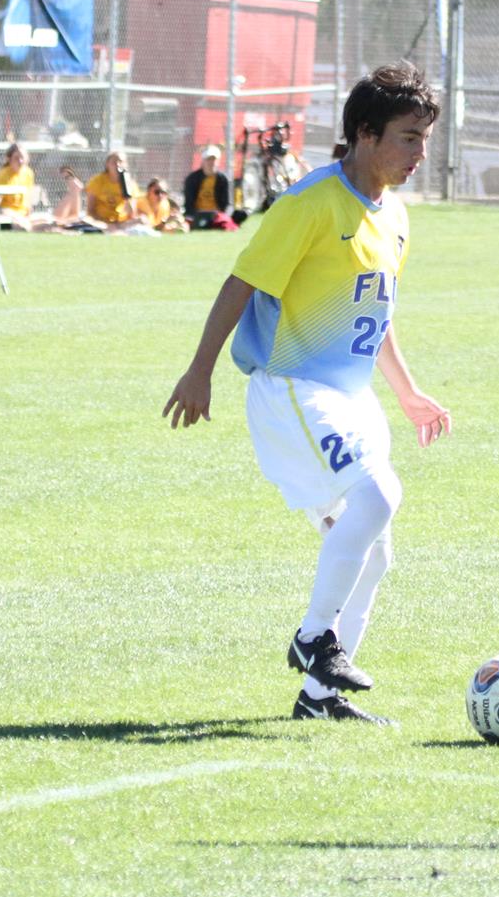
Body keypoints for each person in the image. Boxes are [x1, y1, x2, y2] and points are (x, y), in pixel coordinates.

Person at [163, 62, 452, 725]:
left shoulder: (396, 216)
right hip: (293, 386)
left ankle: (321, 696)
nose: (420, 154)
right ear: (365, 133)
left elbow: (373, 314)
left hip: (351, 397)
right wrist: (199, 369)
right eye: (409, 138)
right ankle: (313, 637)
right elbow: (241, 281)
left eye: (425, 140)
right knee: (380, 495)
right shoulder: (308, 203)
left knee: (376, 547)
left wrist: (407, 392)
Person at [84, 150, 150, 232]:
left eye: (121, 162)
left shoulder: (130, 184)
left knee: (143, 220)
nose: (118, 165)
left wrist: (126, 190)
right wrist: (104, 223)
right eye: (114, 162)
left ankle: (115, 230)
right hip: (101, 222)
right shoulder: (97, 181)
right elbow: (90, 211)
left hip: (121, 223)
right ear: (107, 164)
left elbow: (131, 213)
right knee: (86, 220)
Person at [184, 144, 245, 230]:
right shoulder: (192, 179)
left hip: (216, 214)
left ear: (218, 161)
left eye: (214, 159)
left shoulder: (223, 179)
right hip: (197, 213)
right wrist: (191, 216)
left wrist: (224, 215)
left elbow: (227, 203)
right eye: (208, 159)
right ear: (203, 161)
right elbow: (189, 202)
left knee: (240, 214)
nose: (211, 162)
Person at [0, 143, 39, 229]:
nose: (20, 161)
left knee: (48, 221)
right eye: (16, 158)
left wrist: (28, 213)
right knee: (23, 226)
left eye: (22, 157)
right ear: (9, 159)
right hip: (7, 211)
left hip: (22, 213)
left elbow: (27, 199)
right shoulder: (3, 175)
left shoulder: (28, 173)